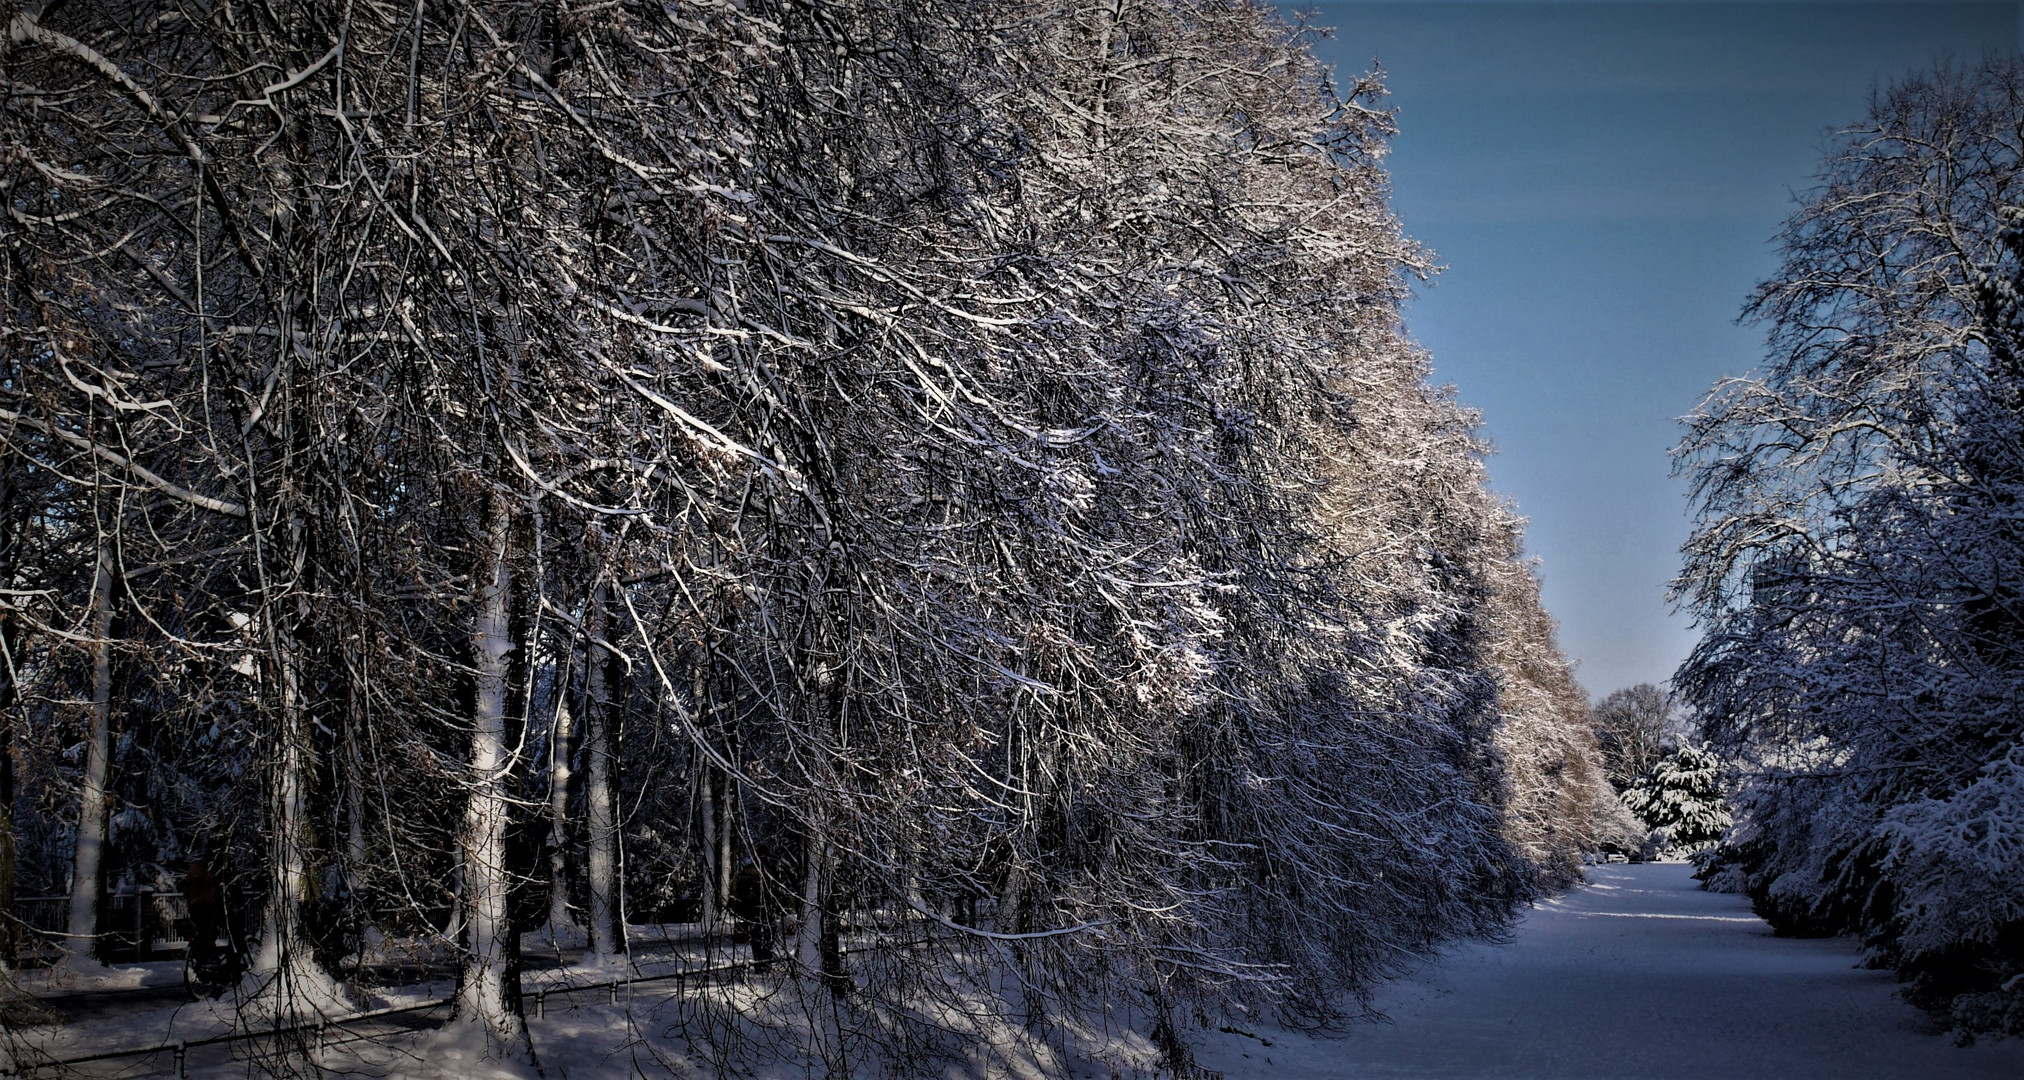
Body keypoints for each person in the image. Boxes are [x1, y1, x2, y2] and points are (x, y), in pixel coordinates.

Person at [181, 852, 225, 973]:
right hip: (207, 906)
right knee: (210, 932)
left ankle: (205, 958)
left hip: (195, 906)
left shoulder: (195, 867)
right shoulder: (211, 869)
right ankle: (209, 960)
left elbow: (186, 888)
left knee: (203, 933)